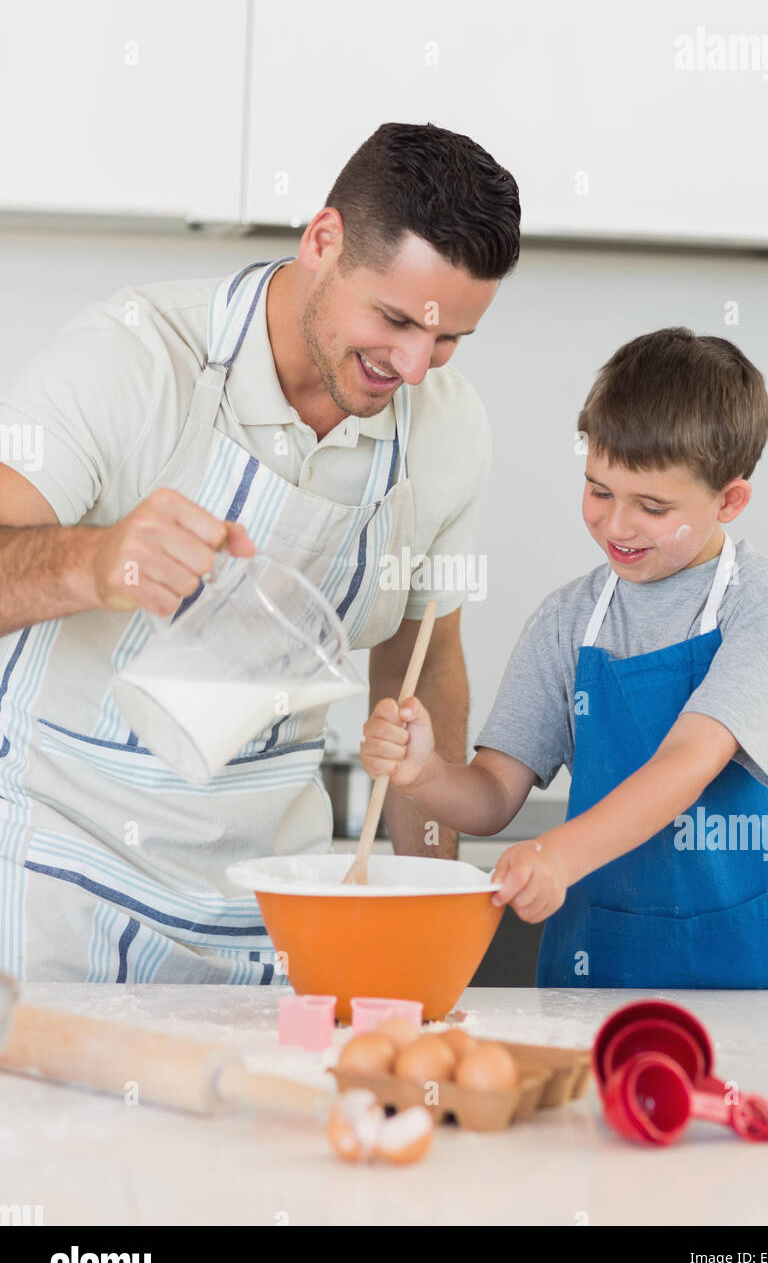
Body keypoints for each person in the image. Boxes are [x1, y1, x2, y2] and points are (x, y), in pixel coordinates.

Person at [0, 122, 521, 983]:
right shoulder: (133, 358)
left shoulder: (448, 430)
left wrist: (429, 906)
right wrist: (95, 563)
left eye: (448, 340)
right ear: (323, 242)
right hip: (58, 887)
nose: (416, 367)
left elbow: (421, 670)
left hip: (277, 913)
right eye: (394, 320)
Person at [361, 327, 768, 989]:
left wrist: (559, 855)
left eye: (652, 506)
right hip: (610, 963)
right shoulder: (566, 622)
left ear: (730, 500)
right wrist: (424, 772)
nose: (617, 525)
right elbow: (491, 797)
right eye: (600, 490)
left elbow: (688, 761)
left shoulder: (763, 602)